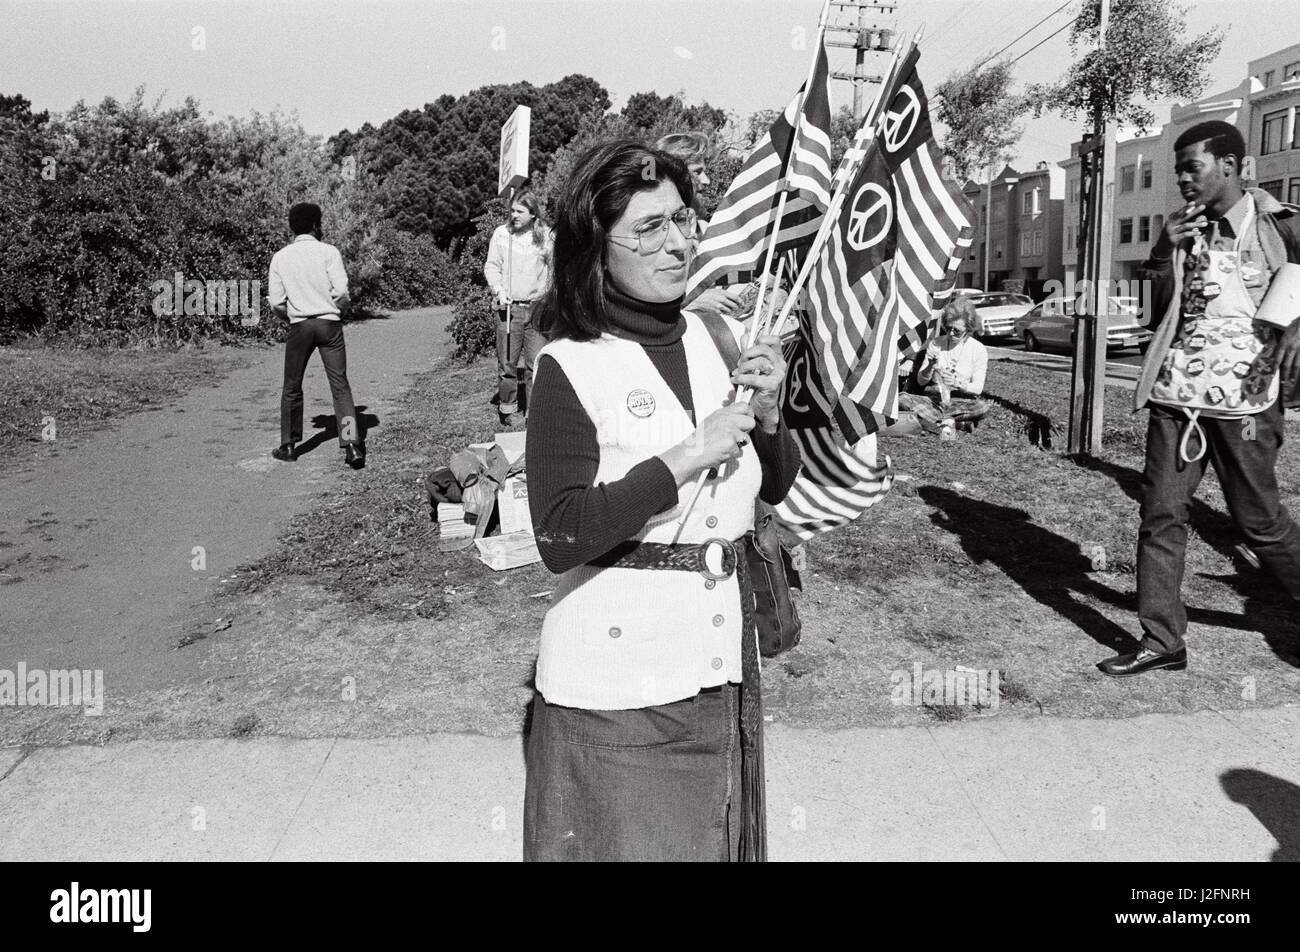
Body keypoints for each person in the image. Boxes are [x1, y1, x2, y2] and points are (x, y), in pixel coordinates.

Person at [523, 139, 801, 861]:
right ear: (595, 247)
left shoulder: (718, 337)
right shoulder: (569, 363)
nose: (678, 244)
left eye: (683, 220)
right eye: (649, 229)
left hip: (721, 669)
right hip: (618, 696)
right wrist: (683, 457)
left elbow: (771, 487)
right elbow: (558, 535)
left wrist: (770, 421)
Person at [1099, 119, 1300, 678]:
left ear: (1231, 167)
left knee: (1258, 522)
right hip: (1178, 395)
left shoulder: (1282, 225)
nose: (1184, 179)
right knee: (1161, 515)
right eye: (1179, 169)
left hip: (1247, 400)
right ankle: (1162, 639)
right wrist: (1165, 248)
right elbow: (1153, 309)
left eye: (1194, 167)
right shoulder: (1181, 232)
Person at [268, 201, 363, 468]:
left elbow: (276, 301)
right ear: (315, 225)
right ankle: (352, 446)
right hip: (329, 324)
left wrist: (290, 317)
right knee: (340, 386)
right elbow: (342, 291)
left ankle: (289, 445)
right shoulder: (328, 252)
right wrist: (337, 310)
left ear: (292, 227)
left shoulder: (281, 257)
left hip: (299, 326)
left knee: (292, 386)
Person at [483, 192, 552, 425]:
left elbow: (555, 270)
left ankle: (535, 413)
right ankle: (509, 410)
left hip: (537, 310)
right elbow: (492, 266)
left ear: (533, 214)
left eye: (520, 211)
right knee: (508, 364)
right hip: (509, 310)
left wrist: (550, 297)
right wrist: (499, 290)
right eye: (512, 210)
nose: (514, 215)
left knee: (537, 364)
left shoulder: (546, 237)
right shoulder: (502, 235)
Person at [899, 296, 991, 438]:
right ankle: (957, 423)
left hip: (961, 400)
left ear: (968, 329)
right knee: (903, 398)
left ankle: (932, 422)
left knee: (982, 407)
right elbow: (921, 382)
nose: (951, 333)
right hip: (934, 399)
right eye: (948, 328)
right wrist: (929, 366)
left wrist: (957, 382)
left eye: (957, 331)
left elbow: (978, 388)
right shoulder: (936, 343)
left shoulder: (978, 349)